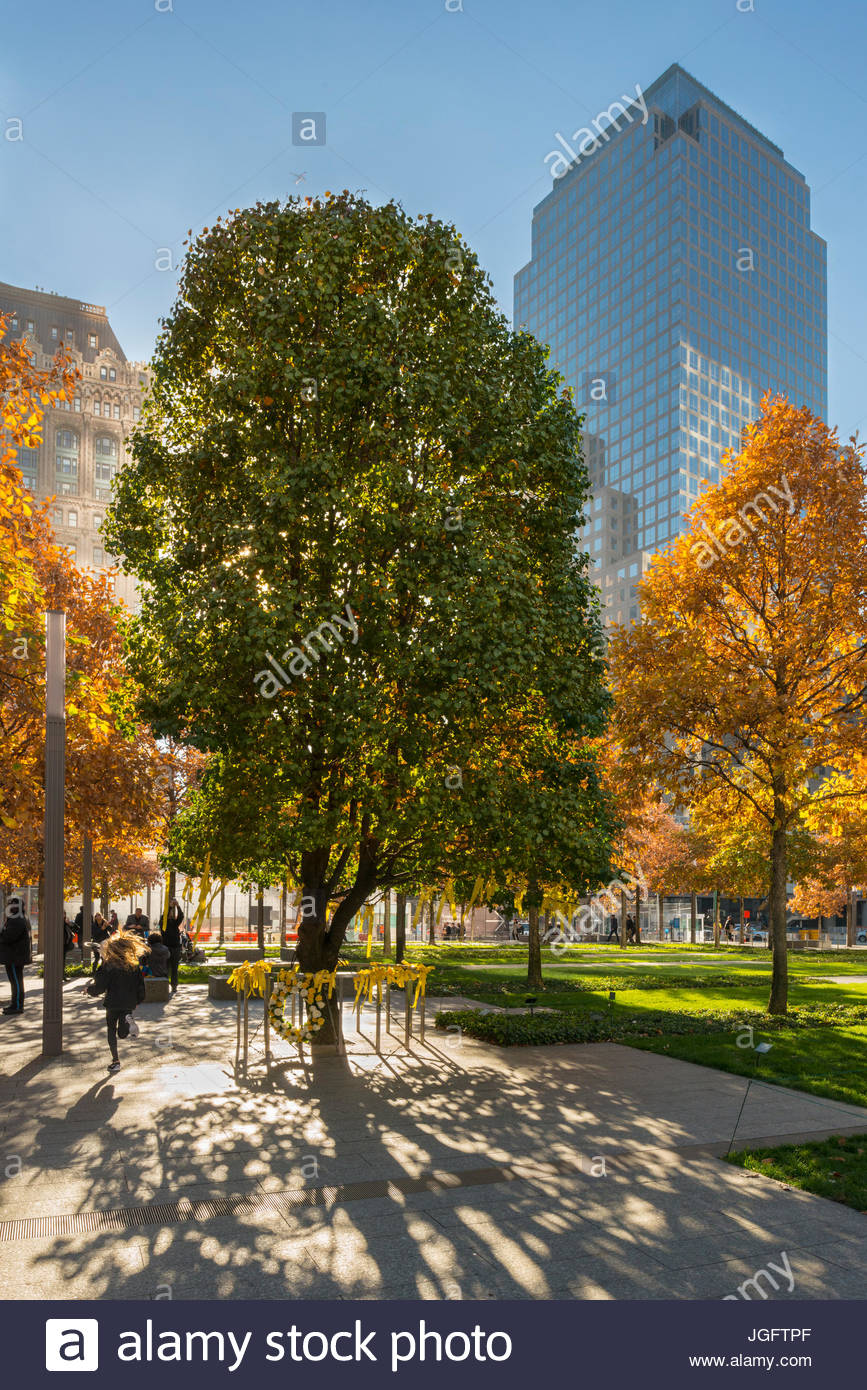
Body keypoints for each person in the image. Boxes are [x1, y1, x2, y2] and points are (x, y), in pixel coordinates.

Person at [85, 932, 146, 1074]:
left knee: (111, 1030)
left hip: (113, 1002)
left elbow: (100, 986)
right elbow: (140, 985)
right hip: (129, 1002)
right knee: (123, 1033)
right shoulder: (133, 965)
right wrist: (138, 1000)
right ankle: (127, 1021)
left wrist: (89, 990)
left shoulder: (109, 965)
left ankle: (115, 1061)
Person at [0, 895, 32, 1015]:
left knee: (16, 982)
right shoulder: (18, 918)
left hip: (14, 956)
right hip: (14, 955)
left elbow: (8, 937)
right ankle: (15, 1004)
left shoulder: (17, 919)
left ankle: (17, 1006)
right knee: (16, 981)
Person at [163, 898, 185, 995]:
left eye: (172, 913)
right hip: (166, 947)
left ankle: (174, 986)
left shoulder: (175, 923)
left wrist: (178, 906)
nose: (171, 914)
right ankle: (164, 985)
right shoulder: (163, 923)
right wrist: (171, 907)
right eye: (170, 913)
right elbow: (164, 915)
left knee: (174, 968)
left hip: (176, 947)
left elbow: (181, 916)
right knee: (166, 967)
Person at [62, 913, 77, 979]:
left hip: (65, 945)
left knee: (63, 961)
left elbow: (76, 929)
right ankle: (62, 975)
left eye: (64, 914)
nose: (64, 915)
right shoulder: (60, 924)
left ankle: (63, 975)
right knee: (61, 961)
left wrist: (68, 923)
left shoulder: (66, 924)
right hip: (61, 945)